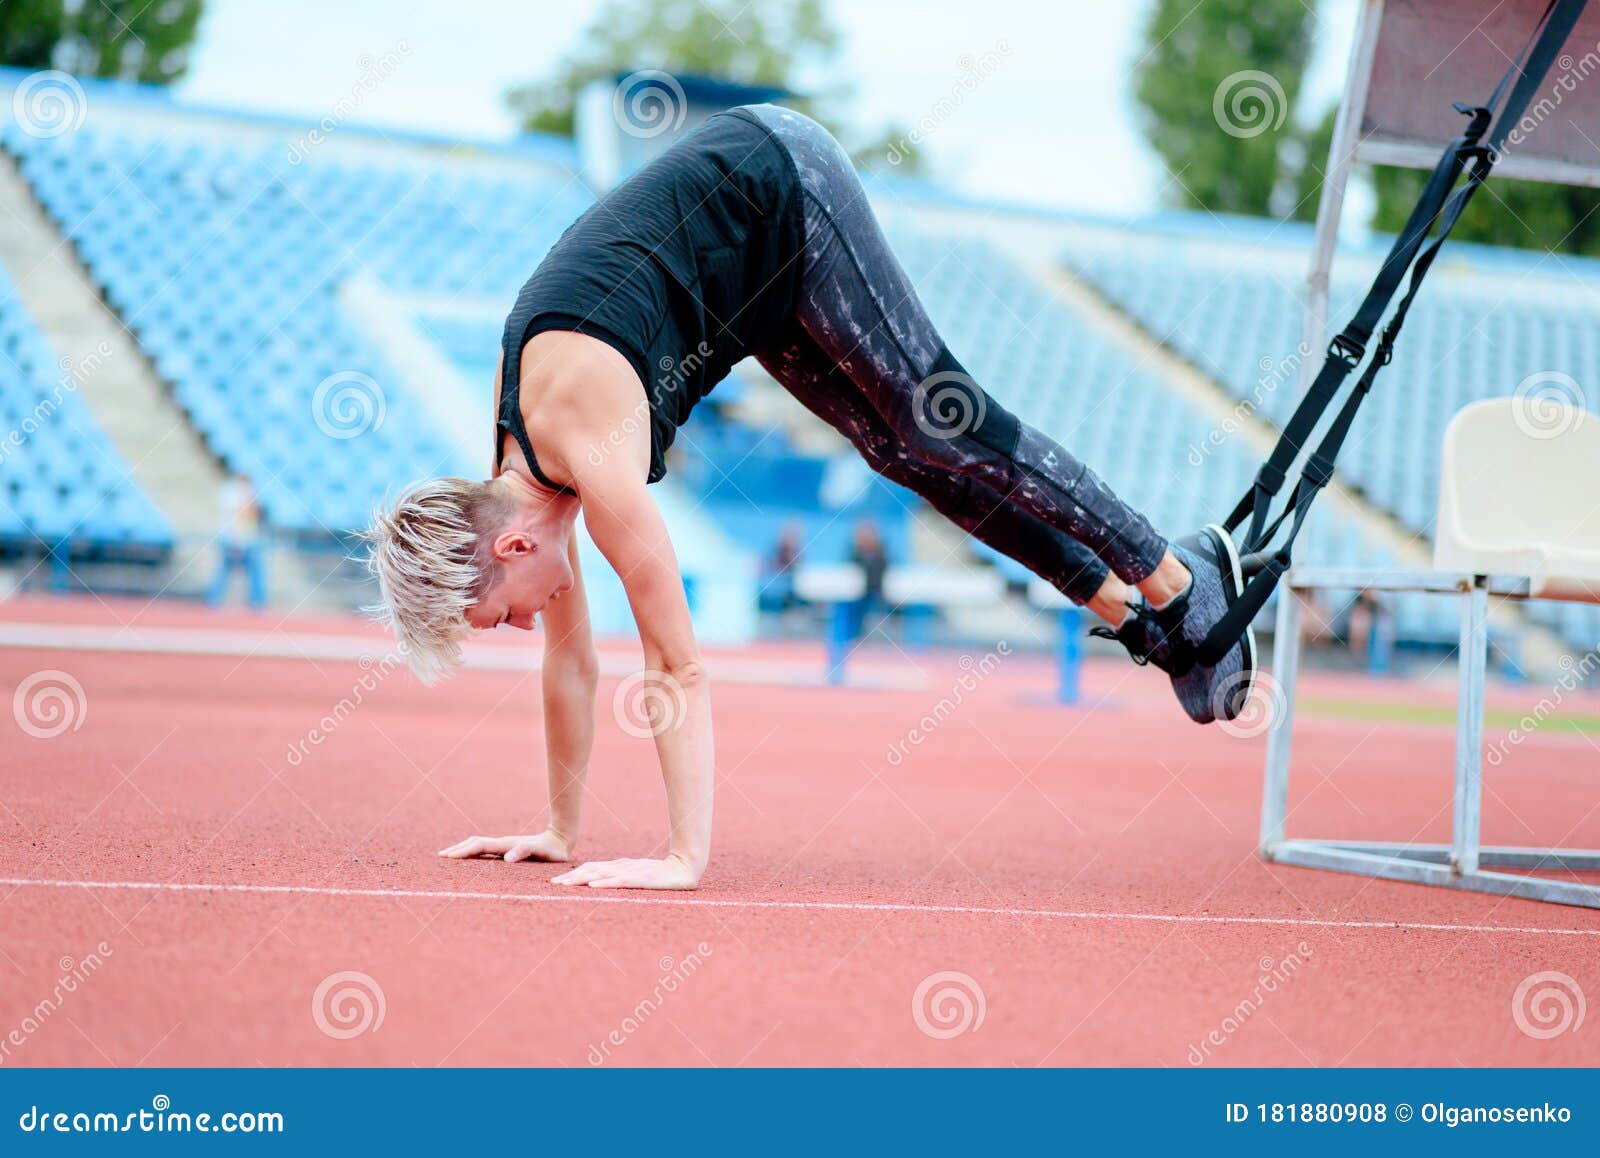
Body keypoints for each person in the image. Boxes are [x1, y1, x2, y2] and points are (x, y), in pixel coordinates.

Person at [369, 105, 1255, 891]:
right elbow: (571, 666)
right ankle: (1141, 620)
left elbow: (675, 666)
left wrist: (683, 858)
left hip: (782, 184)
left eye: (498, 618)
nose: (524, 629)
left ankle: (1180, 579)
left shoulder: (588, 447)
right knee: (896, 453)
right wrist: (561, 831)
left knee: (938, 418)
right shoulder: (515, 475)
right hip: (753, 282)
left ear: (510, 549)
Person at [206, 473, 267, 610]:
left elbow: (254, 516)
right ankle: (214, 600)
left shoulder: (251, 495)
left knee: (253, 572)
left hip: (248, 539)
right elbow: (238, 517)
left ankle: (256, 603)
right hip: (233, 539)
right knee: (224, 571)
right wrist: (235, 540)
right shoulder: (233, 495)